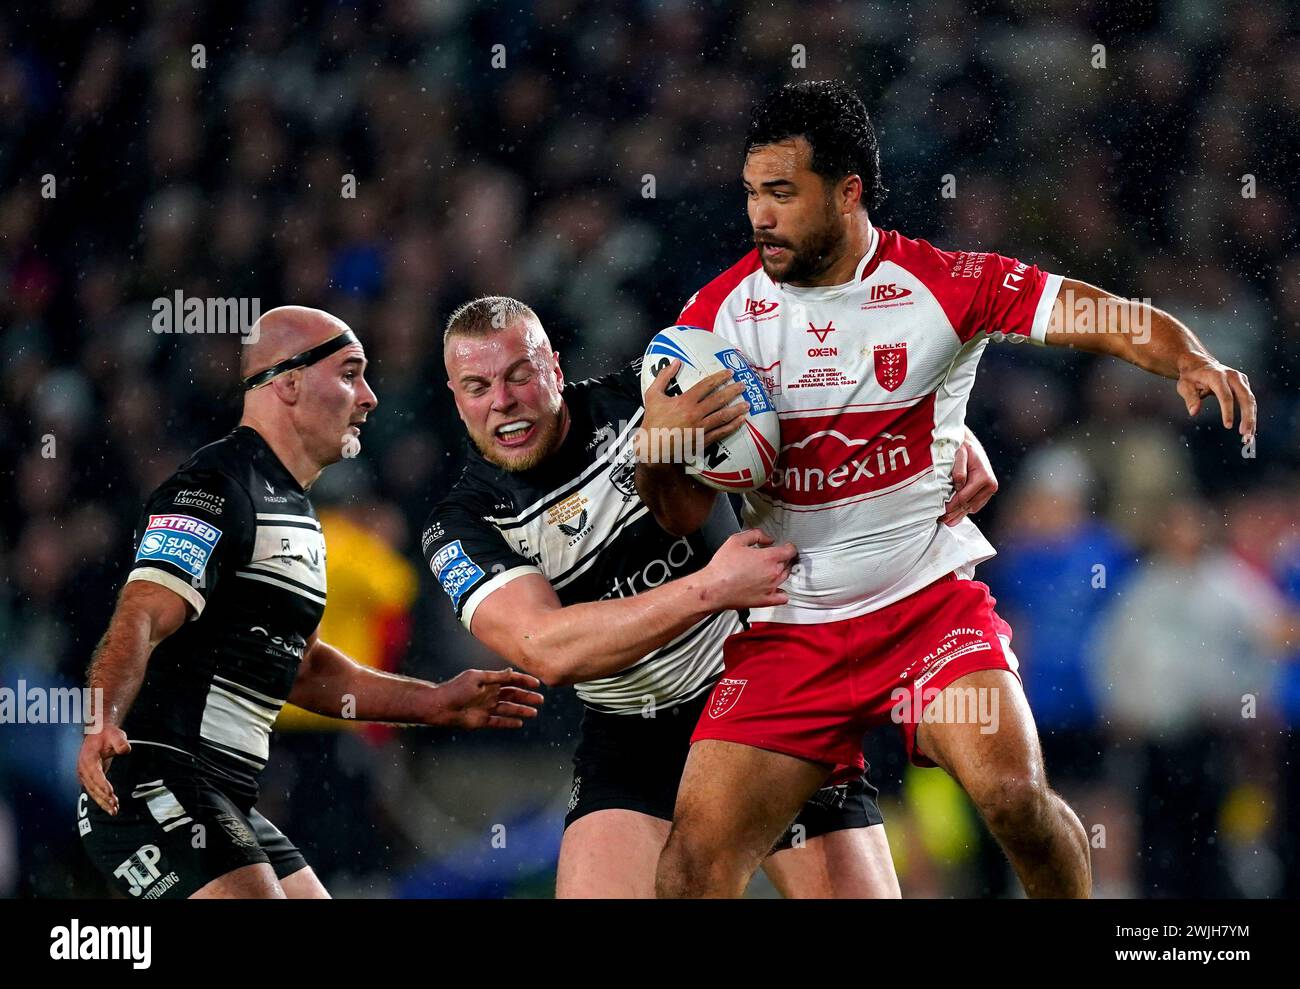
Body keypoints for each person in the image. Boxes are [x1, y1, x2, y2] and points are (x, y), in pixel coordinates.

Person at [644, 80, 1257, 899]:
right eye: (753, 193)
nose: (760, 215)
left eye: (783, 194)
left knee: (1013, 798)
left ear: (849, 190)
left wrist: (1186, 355)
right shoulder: (714, 320)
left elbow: (1096, 312)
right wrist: (662, 447)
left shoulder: (940, 284)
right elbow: (677, 511)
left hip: (925, 608)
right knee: (691, 868)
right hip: (793, 629)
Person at [422, 295, 998, 897]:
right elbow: (547, 650)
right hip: (632, 733)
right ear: (455, 396)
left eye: (519, 374)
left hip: (762, 695)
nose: (503, 402)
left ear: (555, 369)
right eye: (477, 385)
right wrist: (709, 589)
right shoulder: (462, 524)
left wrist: (944, 434)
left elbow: (823, 377)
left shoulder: (657, 394)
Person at [76, 306, 543, 899]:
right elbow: (142, 609)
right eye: (351, 373)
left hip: (226, 795)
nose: (370, 397)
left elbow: (306, 669)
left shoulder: (297, 513)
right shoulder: (215, 485)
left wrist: (436, 703)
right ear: (289, 382)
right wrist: (102, 720)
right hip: (156, 779)